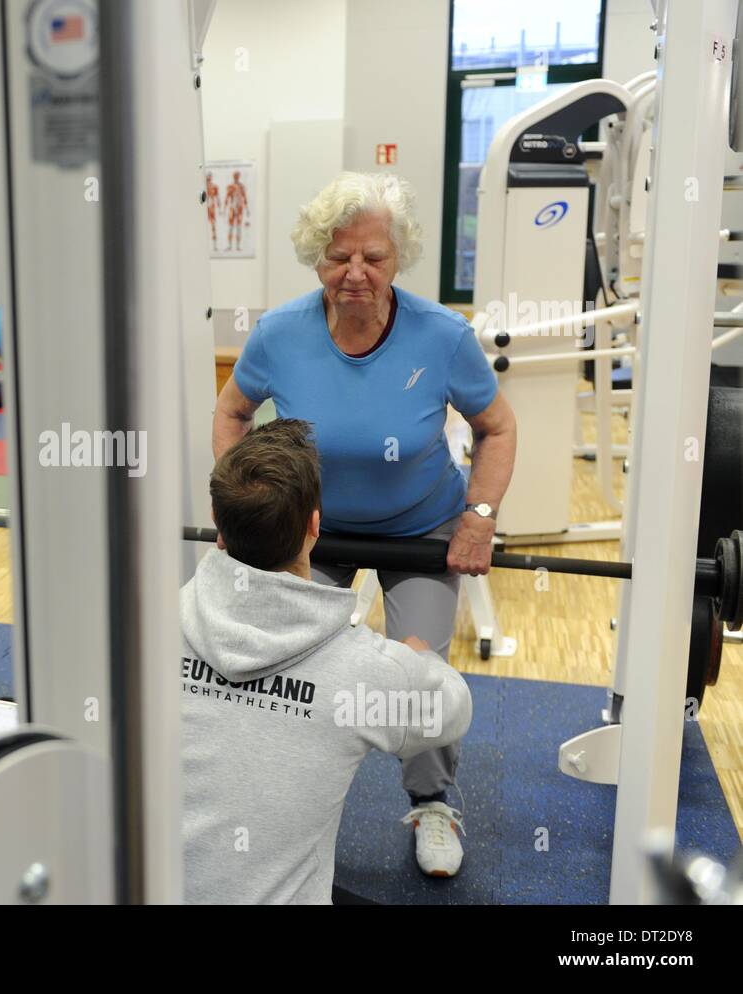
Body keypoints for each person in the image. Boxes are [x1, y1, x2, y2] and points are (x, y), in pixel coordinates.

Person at [212, 172, 516, 877]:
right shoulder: (279, 334)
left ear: (397, 257)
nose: (353, 273)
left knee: (416, 672)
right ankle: (282, 796)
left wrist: (478, 517)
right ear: (317, 257)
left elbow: (496, 427)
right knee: (284, 659)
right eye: (337, 256)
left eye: (372, 258)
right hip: (312, 529)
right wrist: (236, 506)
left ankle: (434, 804)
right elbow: (232, 412)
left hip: (423, 532)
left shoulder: (442, 336)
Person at [181, 419, 472, 904]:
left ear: (217, 522)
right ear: (315, 527)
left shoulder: (147, 631)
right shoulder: (368, 672)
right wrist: (421, 663)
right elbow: (454, 708)